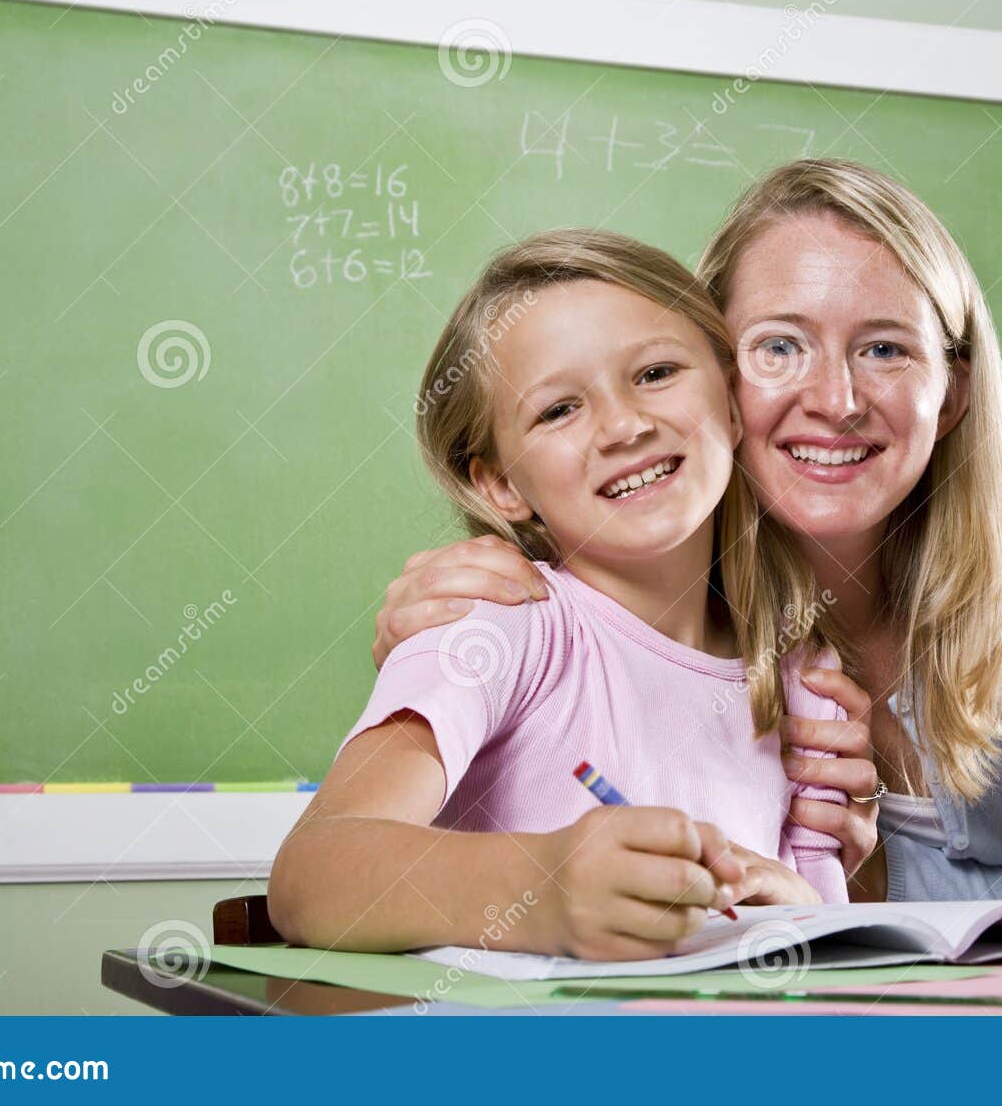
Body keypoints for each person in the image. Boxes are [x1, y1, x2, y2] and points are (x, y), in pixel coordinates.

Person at [370, 159, 1002, 903]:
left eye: (885, 349)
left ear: (952, 394)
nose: (836, 400)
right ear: (718, 375)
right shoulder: (659, 586)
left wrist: (866, 882)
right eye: (778, 347)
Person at [270, 229, 852, 960]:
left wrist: (798, 909)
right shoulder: (499, 622)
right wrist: (544, 886)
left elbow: (828, 961)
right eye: (557, 410)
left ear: (732, 404)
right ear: (501, 485)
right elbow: (311, 875)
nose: (623, 425)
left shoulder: (803, 681)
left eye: (656, 372)